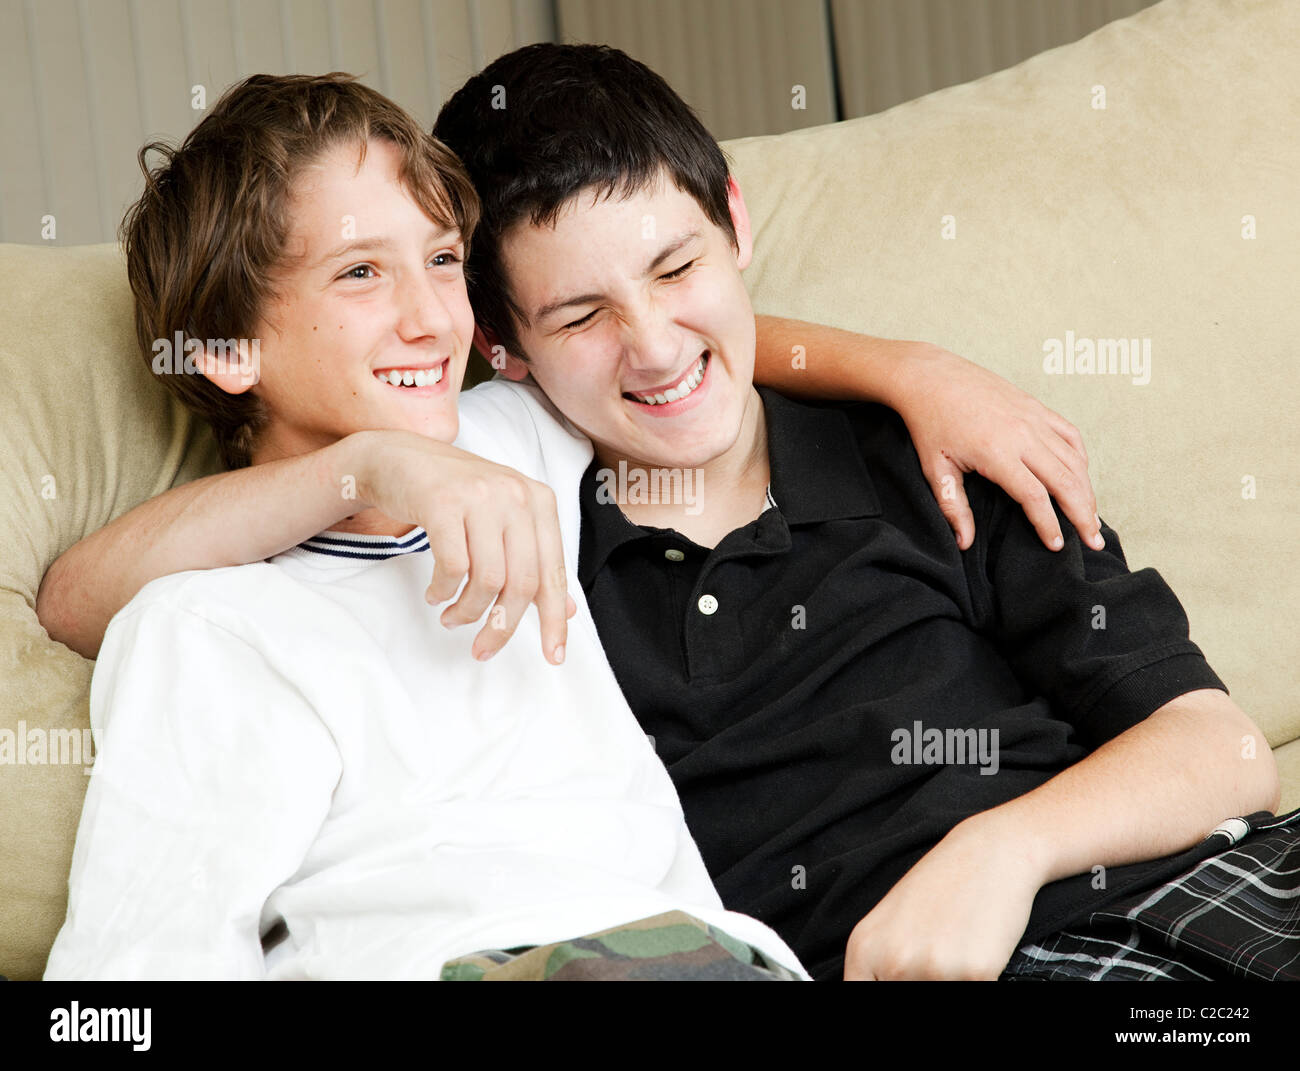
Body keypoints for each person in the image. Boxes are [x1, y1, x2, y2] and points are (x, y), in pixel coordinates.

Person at [40, 53, 1231, 980]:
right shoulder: (215, 620)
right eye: (360, 273)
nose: (426, 319)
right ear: (229, 352)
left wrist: (912, 369)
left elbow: (674, 354)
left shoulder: (518, 438)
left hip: (739, 956)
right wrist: (367, 473)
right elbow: (78, 599)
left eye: (443, 260)